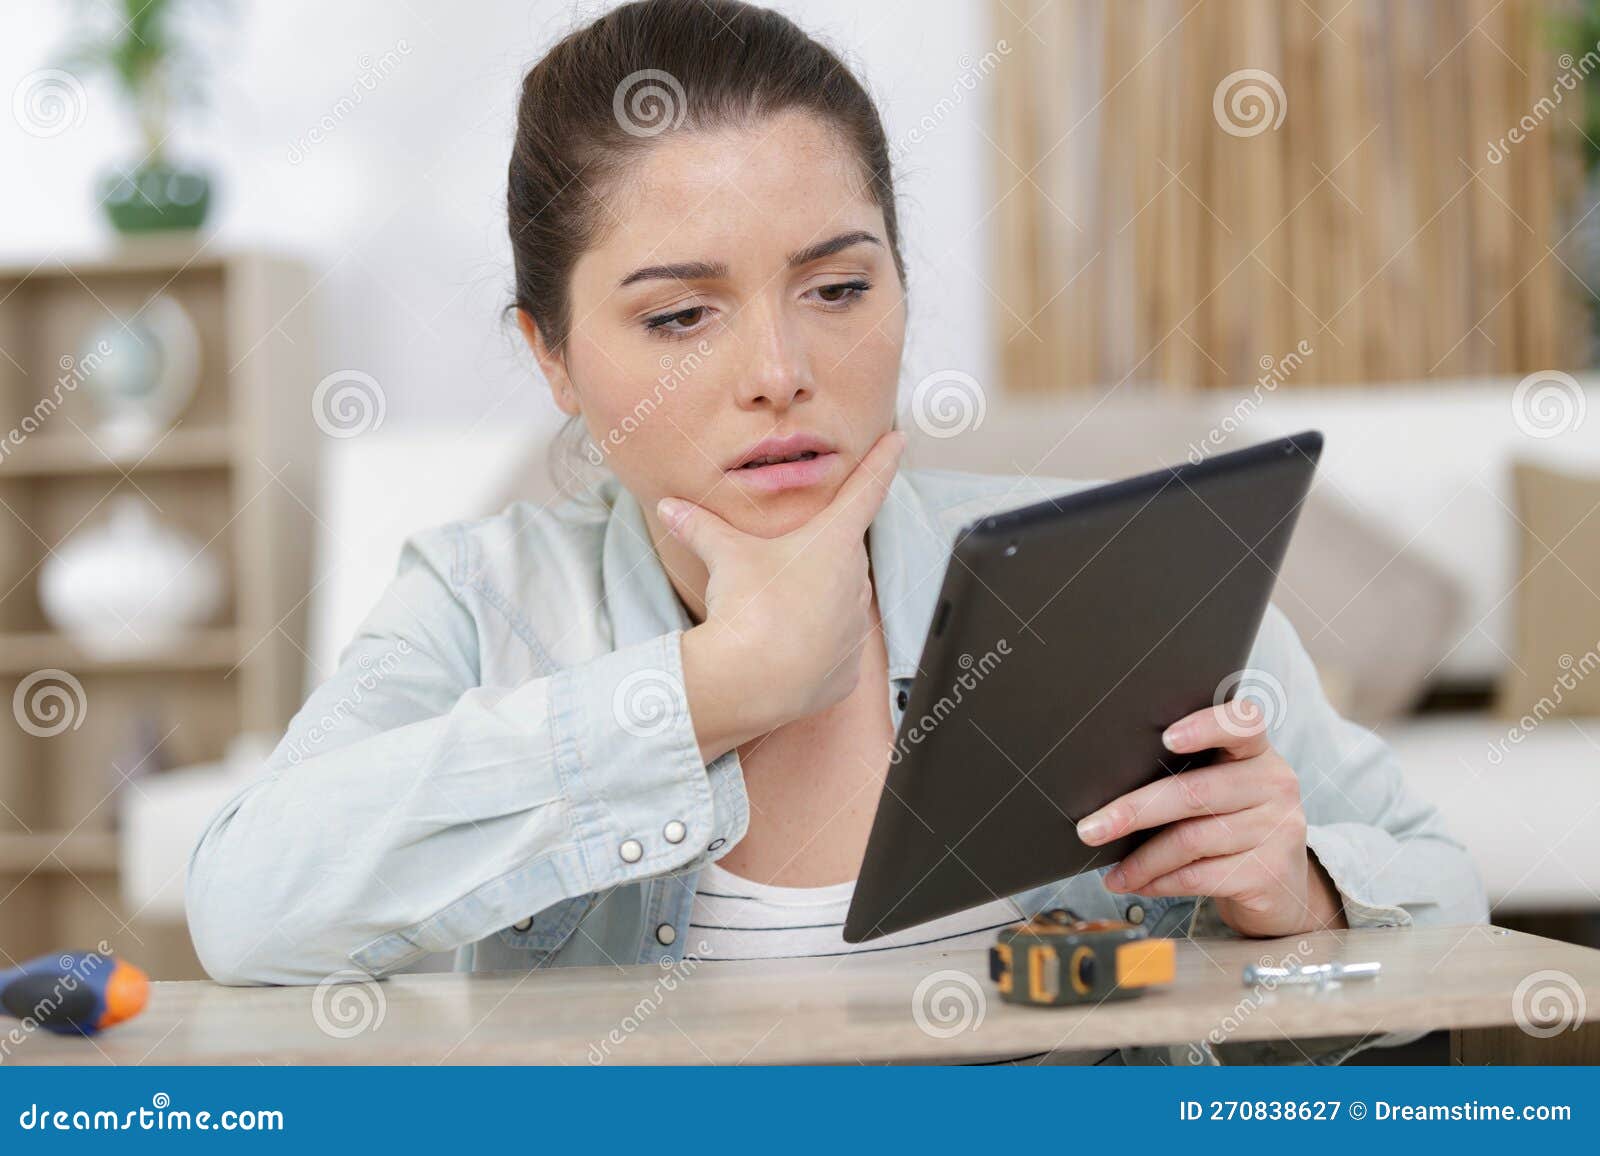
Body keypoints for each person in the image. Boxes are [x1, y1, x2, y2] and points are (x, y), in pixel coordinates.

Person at [186, 0, 1485, 1046]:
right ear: (555, 361)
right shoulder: (485, 596)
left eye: (838, 285)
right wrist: (709, 688)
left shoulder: (1107, 567)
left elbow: (1448, 894)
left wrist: (1303, 892)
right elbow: (248, 909)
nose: (779, 369)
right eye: (680, 314)